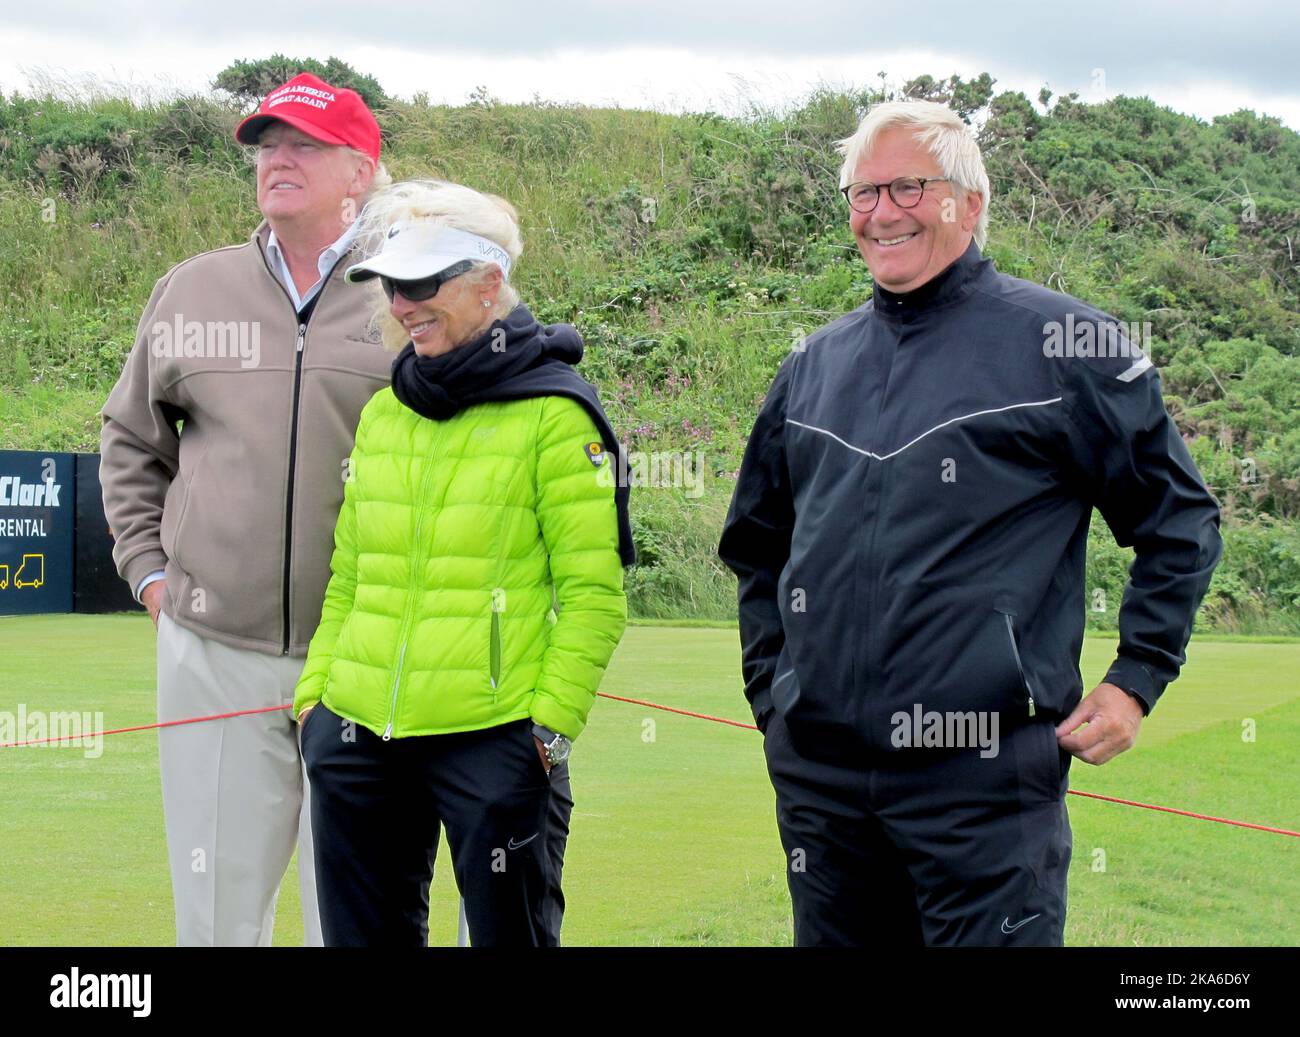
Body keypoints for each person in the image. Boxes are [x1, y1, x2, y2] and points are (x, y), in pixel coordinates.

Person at [718, 100, 1222, 947]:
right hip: (825, 788)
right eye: (861, 192)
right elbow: (757, 546)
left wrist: (1137, 675)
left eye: (907, 187)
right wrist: (777, 699)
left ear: (970, 203)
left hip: (986, 782)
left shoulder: (1068, 346)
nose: (880, 212)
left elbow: (1178, 520)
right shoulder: (814, 363)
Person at [293, 179, 633, 947]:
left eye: (422, 284)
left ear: (489, 284)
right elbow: (350, 574)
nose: (402, 304)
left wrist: (545, 731)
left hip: (497, 738)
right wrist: (316, 699)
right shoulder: (387, 410)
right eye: (390, 286)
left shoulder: (557, 413)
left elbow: (594, 597)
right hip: (355, 737)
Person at [100, 72, 395, 946]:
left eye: (305, 145)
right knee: (218, 914)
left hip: (367, 653)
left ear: (361, 172)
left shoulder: (409, 288)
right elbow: (130, 438)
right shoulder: (194, 289)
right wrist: (150, 575)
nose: (279, 159)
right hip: (214, 648)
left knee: (358, 915)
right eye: (267, 145)